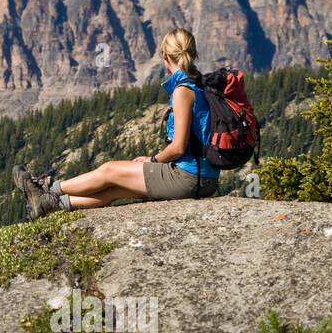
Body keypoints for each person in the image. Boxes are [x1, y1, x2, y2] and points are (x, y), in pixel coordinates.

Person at [12, 28, 220, 217]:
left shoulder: (183, 91)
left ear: (164, 55)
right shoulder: (198, 83)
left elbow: (178, 147)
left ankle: (47, 188)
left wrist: (153, 160)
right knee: (115, 189)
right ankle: (50, 204)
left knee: (110, 170)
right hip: (202, 178)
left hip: (189, 178)